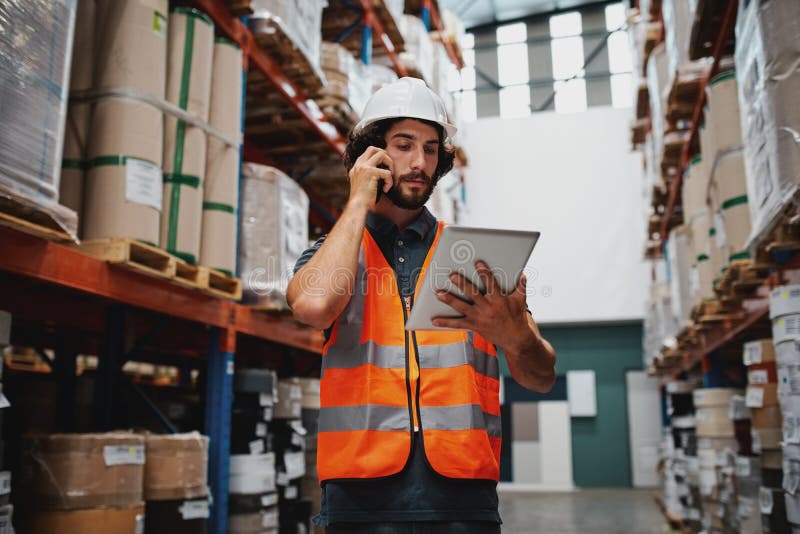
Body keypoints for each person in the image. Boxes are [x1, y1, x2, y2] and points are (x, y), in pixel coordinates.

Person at [287, 77, 557, 534]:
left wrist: (516, 338)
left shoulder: (475, 258)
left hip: (462, 502)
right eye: (404, 145)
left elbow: (541, 376)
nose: (419, 163)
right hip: (359, 501)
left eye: (431, 149)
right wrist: (357, 201)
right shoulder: (333, 253)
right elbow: (313, 306)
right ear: (371, 154)